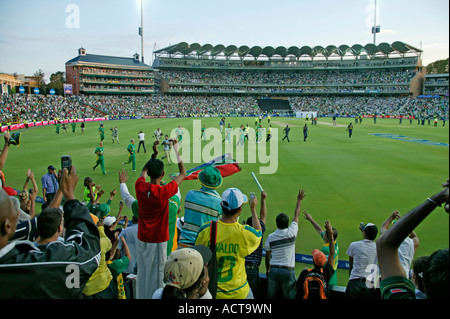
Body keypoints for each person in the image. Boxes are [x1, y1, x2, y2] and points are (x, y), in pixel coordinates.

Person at [0, 166, 101, 298]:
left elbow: (39, 222)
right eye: (13, 210)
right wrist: (69, 195)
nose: (17, 212)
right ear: (8, 226)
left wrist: (61, 190)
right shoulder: (32, 265)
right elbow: (88, 252)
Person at [376, 179, 449, 299]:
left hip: (397, 276)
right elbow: (410, 238)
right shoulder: (412, 242)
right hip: (405, 273)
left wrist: (438, 197)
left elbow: (385, 241)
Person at [134, 138, 186, 299]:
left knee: (142, 273)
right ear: (163, 174)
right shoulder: (163, 192)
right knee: (158, 281)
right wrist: (176, 150)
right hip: (158, 241)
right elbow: (183, 174)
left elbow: (143, 173)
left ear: (148, 172)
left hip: (142, 238)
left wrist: (153, 156)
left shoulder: (139, 186)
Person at [195, 188, 262, 299]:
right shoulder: (244, 233)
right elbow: (259, 233)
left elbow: (197, 258)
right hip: (239, 292)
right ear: (240, 210)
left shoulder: (206, 230)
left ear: (221, 205)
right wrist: (253, 209)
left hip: (212, 291)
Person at [264, 189, 305, 299]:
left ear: (276, 223)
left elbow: (267, 256)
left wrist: (268, 269)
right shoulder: (292, 232)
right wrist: (299, 200)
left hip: (274, 270)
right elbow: (296, 214)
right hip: (288, 271)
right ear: (287, 223)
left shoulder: (270, 237)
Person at [178, 166, 223, 248]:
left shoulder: (190, 194)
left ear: (201, 181)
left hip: (184, 243)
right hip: (203, 247)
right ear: (216, 184)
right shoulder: (219, 203)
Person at [295, 221, 336, 299]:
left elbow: (297, 288)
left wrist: (304, 272)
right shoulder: (326, 273)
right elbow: (332, 252)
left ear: (313, 261)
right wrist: (330, 233)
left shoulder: (305, 272)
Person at [303, 211, 339, 287]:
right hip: (333, 278)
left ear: (328, 237)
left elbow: (321, 264)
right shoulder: (335, 243)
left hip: (326, 280)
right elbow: (320, 230)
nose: (323, 233)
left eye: (325, 233)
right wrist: (311, 219)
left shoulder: (327, 249)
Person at [83, 217, 116, 299]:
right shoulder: (100, 243)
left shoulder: (72, 246)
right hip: (103, 285)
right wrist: (100, 228)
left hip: (86, 290)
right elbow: (108, 242)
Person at [345, 222, 379, 299]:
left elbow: (351, 265)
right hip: (369, 284)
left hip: (354, 282)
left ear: (365, 234)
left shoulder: (353, 245)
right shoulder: (378, 247)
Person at [380, 211, 419, 278]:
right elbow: (415, 237)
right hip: (404, 275)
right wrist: (404, 222)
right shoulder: (412, 243)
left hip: (390, 275)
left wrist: (392, 217)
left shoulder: (390, 239)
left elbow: (383, 228)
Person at [244, 190, 267, 299]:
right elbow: (262, 216)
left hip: (242, 268)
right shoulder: (258, 235)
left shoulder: (243, 234)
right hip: (253, 268)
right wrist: (263, 200)